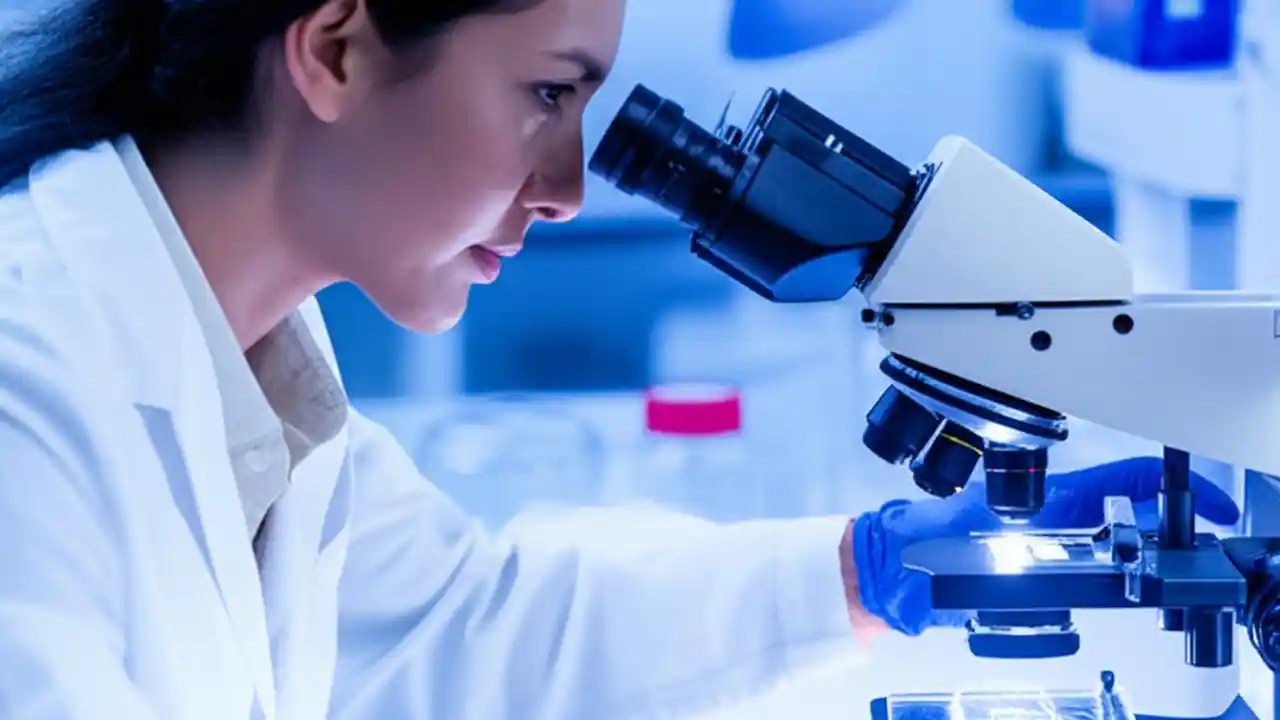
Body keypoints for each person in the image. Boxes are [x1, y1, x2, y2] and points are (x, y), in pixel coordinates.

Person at [0, 1, 1240, 718]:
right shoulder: (28, 390)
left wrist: (862, 572)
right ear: (334, 49)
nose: (569, 187)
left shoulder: (247, 363)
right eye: (546, 94)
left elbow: (461, 626)